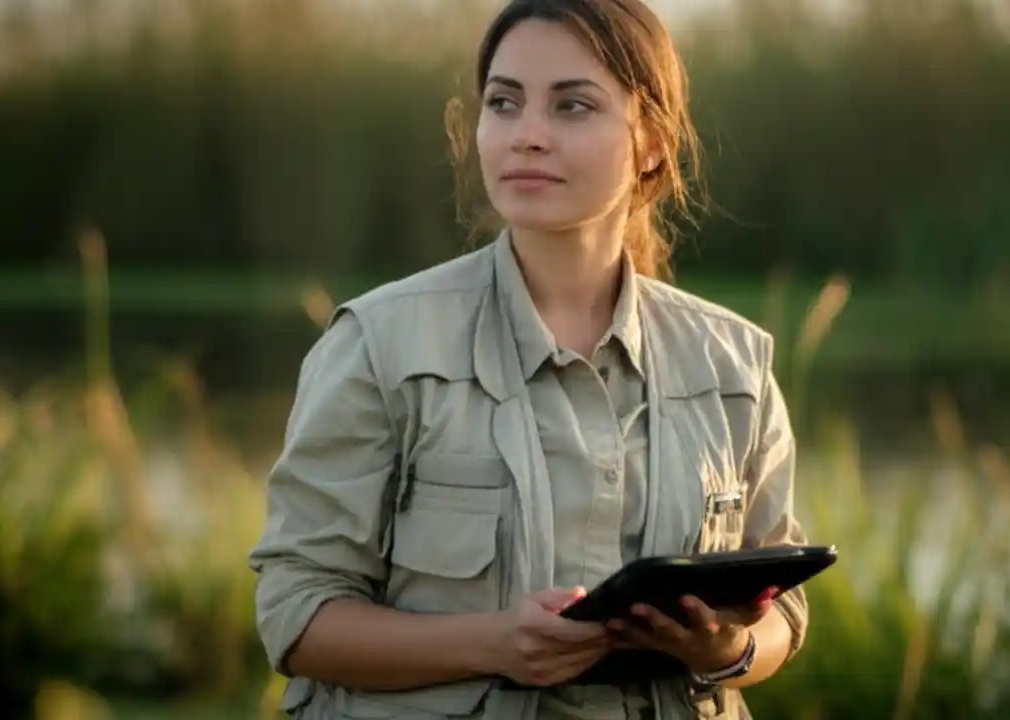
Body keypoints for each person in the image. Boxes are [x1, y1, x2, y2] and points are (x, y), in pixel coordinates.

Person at [247, 1, 810, 718]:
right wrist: (494, 645)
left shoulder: (733, 364)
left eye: (573, 106)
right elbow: (296, 616)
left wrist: (723, 654)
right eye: (504, 103)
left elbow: (782, 613)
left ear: (653, 143)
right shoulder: (378, 345)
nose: (528, 136)